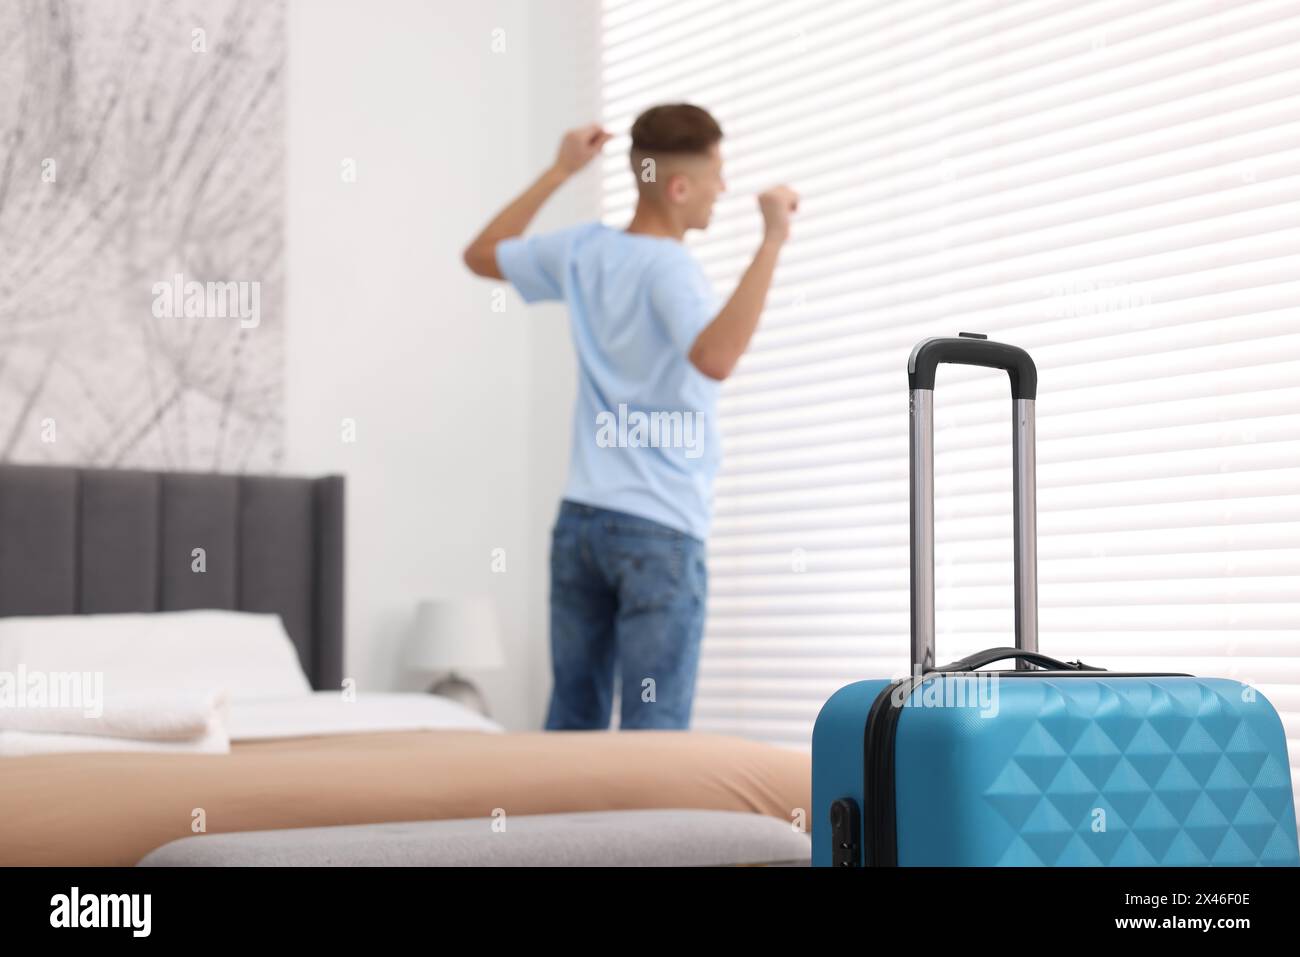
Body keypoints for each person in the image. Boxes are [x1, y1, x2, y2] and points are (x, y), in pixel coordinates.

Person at [463, 103, 798, 730]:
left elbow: (482, 253)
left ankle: (562, 833)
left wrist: (560, 171)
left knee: (572, 721)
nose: (722, 191)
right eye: (715, 176)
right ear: (678, 187)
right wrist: (773, 239)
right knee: (654, 732)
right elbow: (716, 357)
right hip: (657, 529)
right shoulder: (670, 269)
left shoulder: (584, 250)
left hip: (581, 526)